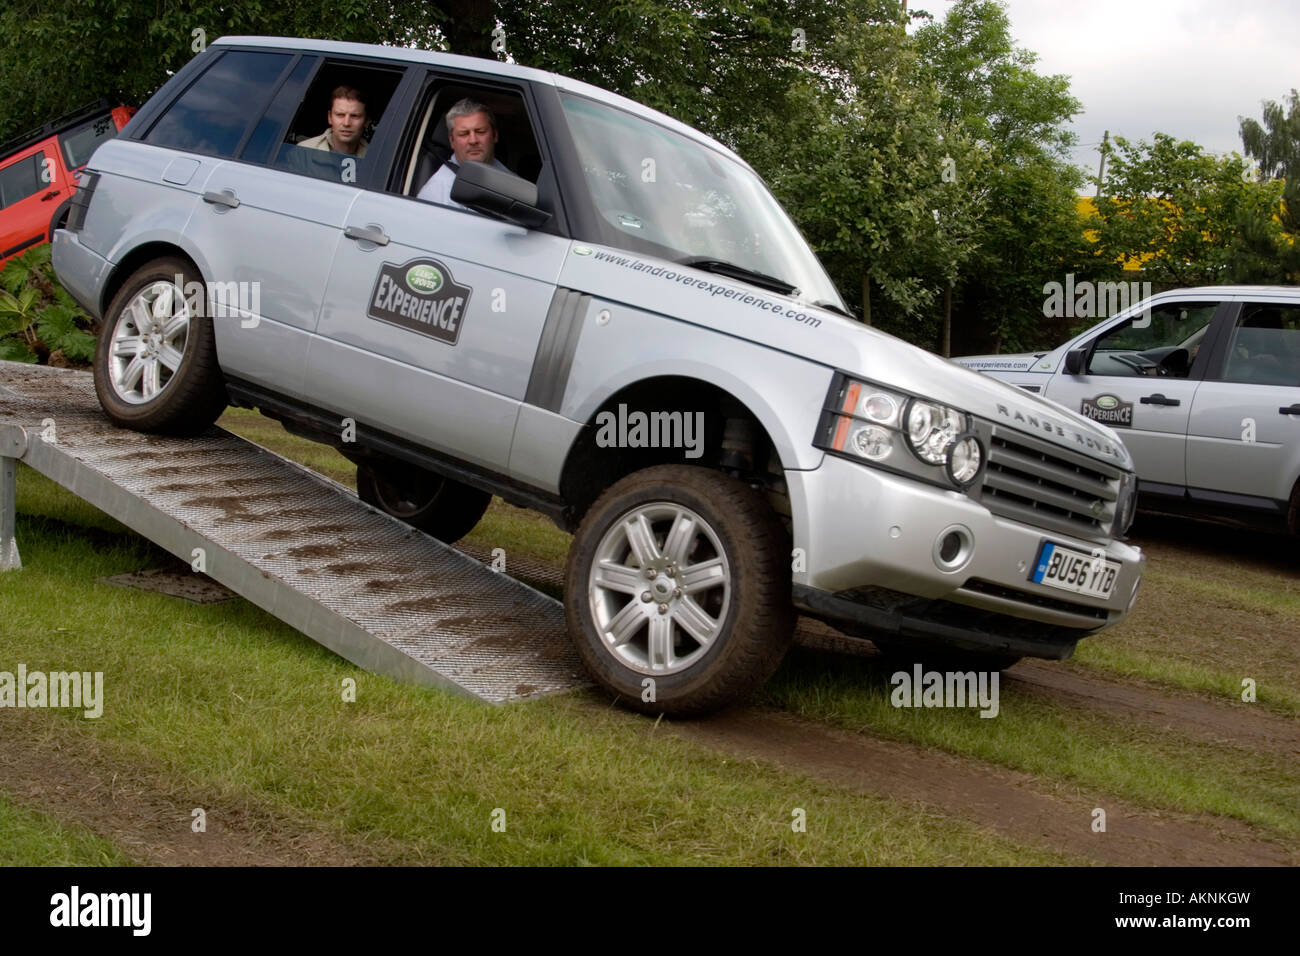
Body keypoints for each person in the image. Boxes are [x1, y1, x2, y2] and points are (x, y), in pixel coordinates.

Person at [417, 98, 509, 207]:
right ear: (452, 141)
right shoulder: (438, 194)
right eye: (464, 134)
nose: (473, 140)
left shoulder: (505, 175)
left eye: (481, 132)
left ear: (495, 135)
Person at [300, 86, 369, 157]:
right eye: (340, 115)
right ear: (329, 117)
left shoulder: (376, 157)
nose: (346, 123)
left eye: (354, 116)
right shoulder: (303, 152)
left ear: (366, 121)